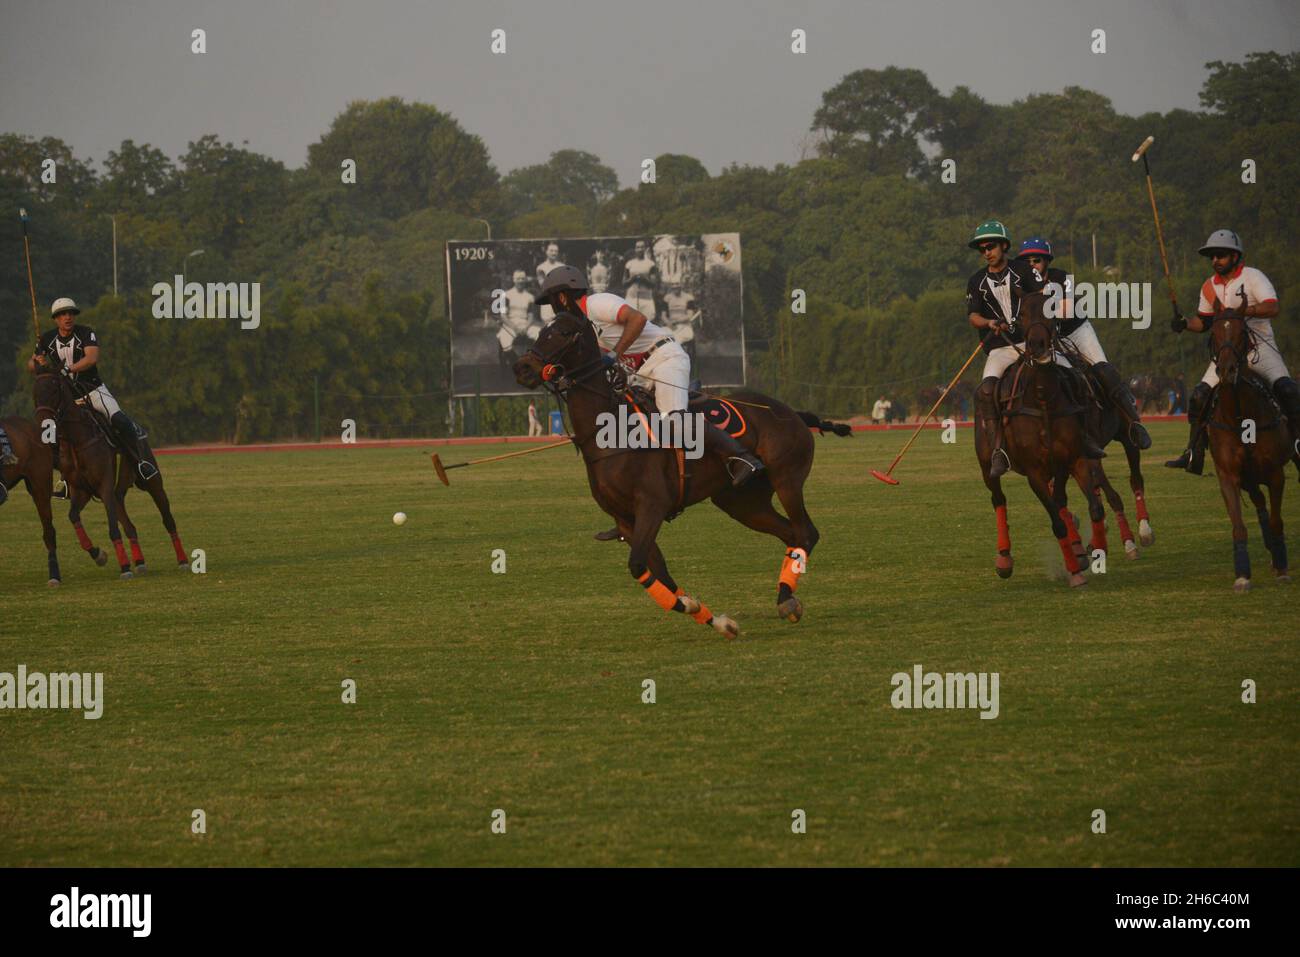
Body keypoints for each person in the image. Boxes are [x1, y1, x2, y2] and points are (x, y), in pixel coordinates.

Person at [534, 266, 763, 541]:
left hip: (665, 358)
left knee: (673, 422)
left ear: (562, 297)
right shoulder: (583, 328)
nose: (553, 309)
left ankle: (741, 457)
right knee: (622, 423)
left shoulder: (598, 303)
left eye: (551, 302)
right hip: (639, 373)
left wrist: (615, 355)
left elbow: (637, 319)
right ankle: (627, 516)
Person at [966, 221, 1104, 479]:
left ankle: (1086, 437)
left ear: (1004, 246)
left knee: (1074, 375)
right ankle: (999, 452)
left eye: (991, 246)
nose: (986, 252)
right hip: (1000, 348)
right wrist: (989, 323)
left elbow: (1044, 298)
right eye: (982, 248)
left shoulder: (1024, 271)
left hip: (1031, 344)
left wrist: (1033, 325)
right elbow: (973, 316)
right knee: (985, 391)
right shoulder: (977, 281)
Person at [1166, 229, 1300, 473]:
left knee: (1288, 390)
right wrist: (1185, 323)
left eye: (1221, 255)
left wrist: (1240, 313)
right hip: (1227, 353)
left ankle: (1298, 442)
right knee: (1198, 396)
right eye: (1213, 256)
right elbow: (1204, 322)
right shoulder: (1208, 287)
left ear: (1236, 256)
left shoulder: (1253, 277)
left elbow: (1272, 307)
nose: (1216, 260)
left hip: (1260, 348)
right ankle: (1193, 451)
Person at [1015, 236, 1151, 449]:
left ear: (1047, 262)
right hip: (1046, 337)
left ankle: (1134, 423)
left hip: (1075, 331)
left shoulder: (1063, 278)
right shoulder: (1021, 286)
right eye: (1027, 262)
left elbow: (1067, 312)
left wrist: (1041, 299)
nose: (1031, 265)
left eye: (1036, 260)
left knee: (1103, 370)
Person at [27, 297, 158, 481]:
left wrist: (68, 369)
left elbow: (91, 358)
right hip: (67, 399)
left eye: (71, 313)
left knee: (120, 420)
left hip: (93, 390)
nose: (68, 317)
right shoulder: (47, 339)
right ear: (56, 318)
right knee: (49, 434)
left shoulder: (85, 333)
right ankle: (63, 479)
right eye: (63, 314)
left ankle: (140, 463)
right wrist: (38, 363)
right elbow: (31, 365)